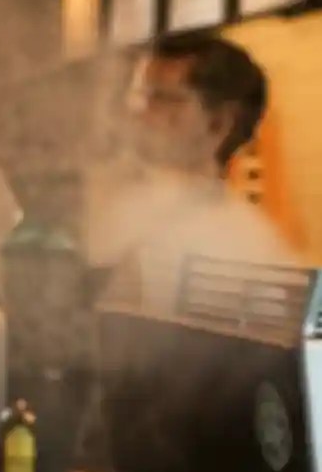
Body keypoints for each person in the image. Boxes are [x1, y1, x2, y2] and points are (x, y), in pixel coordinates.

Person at [86, 33, 298, 313]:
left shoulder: (248, 247)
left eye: (161, 98)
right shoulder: (127, 206)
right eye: (140, 96)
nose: (138, 112)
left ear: (217, 124)